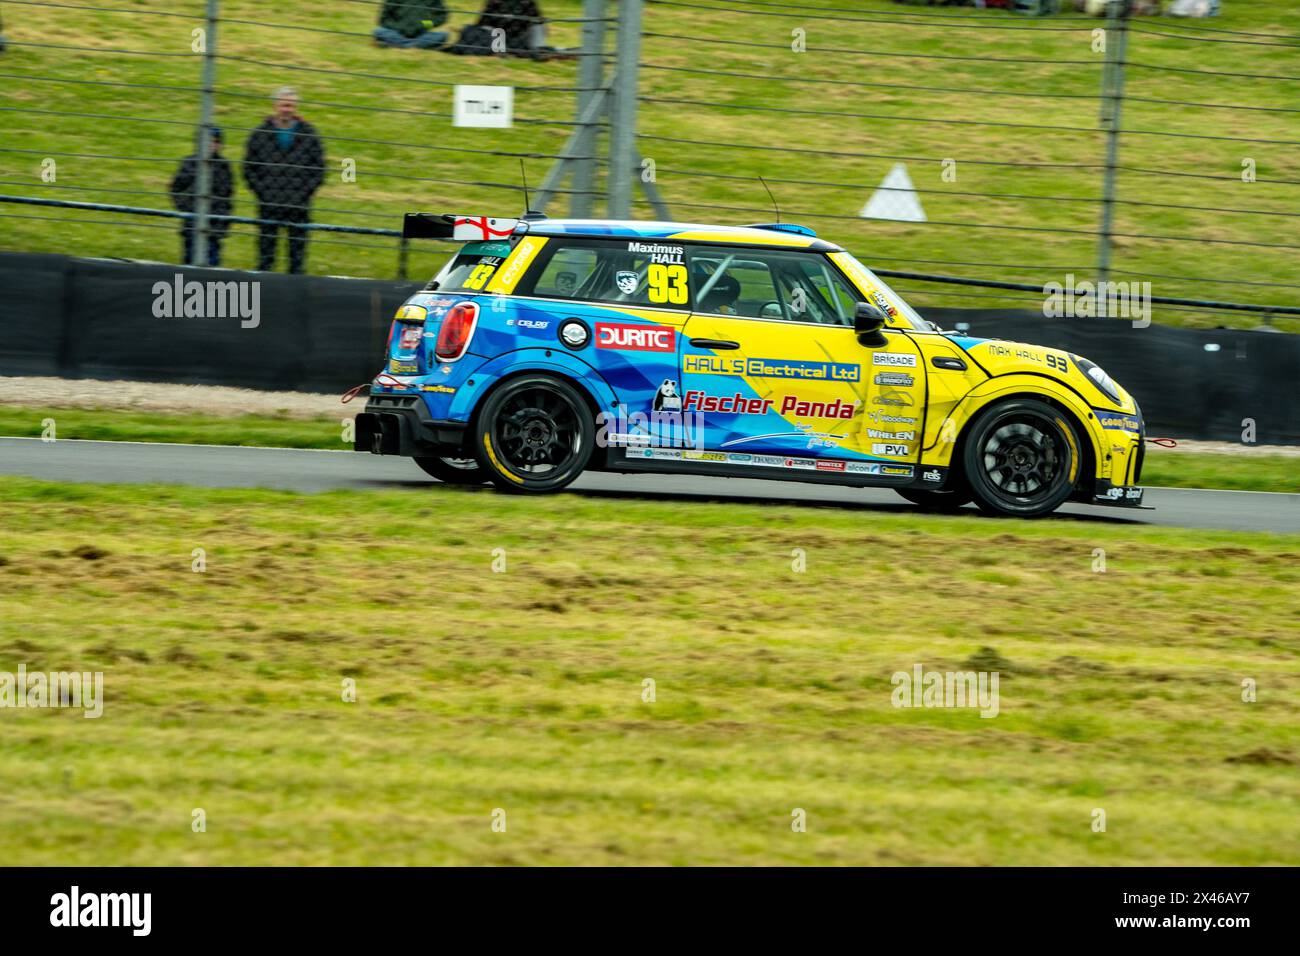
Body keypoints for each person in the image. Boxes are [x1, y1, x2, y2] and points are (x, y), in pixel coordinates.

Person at [242, 86, 325, 274]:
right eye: (283, 105)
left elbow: (319, 169)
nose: (287, 109)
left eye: (291, 105)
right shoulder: (260, 133)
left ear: (296, 107)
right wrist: (263, 192)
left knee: (297, 258)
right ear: (275, 106)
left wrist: (303, 194)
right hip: (268, 203)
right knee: (265, 255)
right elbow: (248, 167)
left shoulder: (309, 134)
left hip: (298, 205)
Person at [169, 126, 234, 268]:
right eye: (209, 141)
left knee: (212, 265)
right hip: (192, 223)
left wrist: (223, 222)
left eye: (216, 142)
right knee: (189, 262)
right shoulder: (189, 163)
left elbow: (227, 196)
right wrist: (187, 208)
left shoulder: (224, 166)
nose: (212, 145)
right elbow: (176, 189)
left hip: (214, 224)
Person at [373, 0, 449, 49]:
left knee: (443, 35)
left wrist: (425, 25)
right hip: (397, 32)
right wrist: (397, 26)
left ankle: (402, 45)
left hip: (421, 34)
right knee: (379, 31)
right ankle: (414, 45)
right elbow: (383, 18)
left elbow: (442, 15)